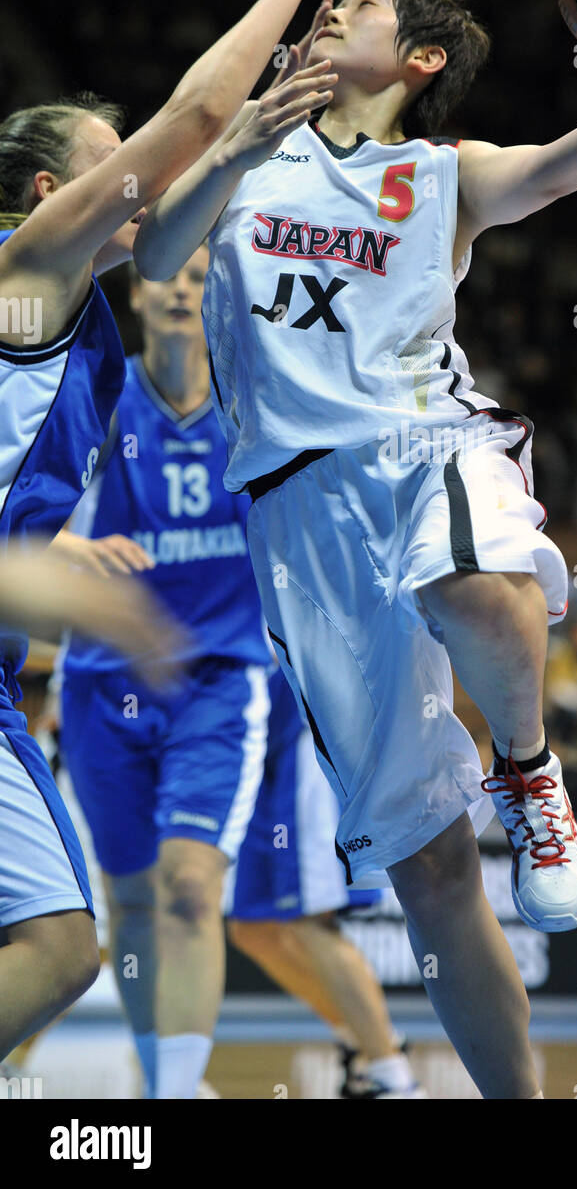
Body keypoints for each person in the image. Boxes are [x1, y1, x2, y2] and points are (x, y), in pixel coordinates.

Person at [134, 0, 577, 1098]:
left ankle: (526, 765)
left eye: (357, 4)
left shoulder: (439, 174)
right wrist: (234, 144)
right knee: (430, 877)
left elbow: (563, 169)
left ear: (418, 58)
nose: (328, 16)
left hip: (427, 446)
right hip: (296, 519)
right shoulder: (252, 165)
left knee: (468, 575)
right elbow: (157, 252)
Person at [0, 0, 355, 1061]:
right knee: (57, 948)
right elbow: (187, 130)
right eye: (115, 161)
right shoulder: (30, 265)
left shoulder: (88, 301)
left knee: (49, 947)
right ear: (56, 193)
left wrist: (263, 127)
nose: (136, 176)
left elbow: (189, 190)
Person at [51, 250, 275, 1099]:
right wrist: (74, 548)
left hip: (217, 683)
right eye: (164, 275)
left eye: (198, 276)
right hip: (101, 684)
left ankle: (178, 1096)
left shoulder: (255, 399)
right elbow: (22, 511)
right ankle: (158, 1083)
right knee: (132, 902)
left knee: (189, 887)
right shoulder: (99, 395)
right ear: (135, 292)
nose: (181, 289)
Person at [227, 671, 424, 1099]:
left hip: (304, 736)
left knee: (311, 921)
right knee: (251, 927)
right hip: (261, 751)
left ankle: (394, 1079)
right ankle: (368, 1038)